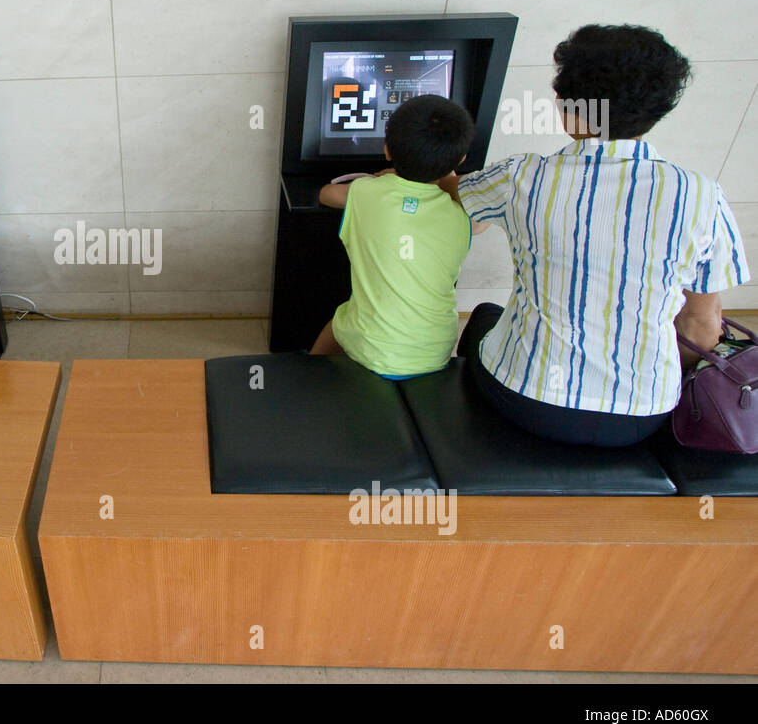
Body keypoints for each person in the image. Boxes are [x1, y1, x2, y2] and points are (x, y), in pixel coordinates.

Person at [450, 24, 749, 446]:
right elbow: (701, 325)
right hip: (642, 417)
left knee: (483, 315)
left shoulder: (523, 176)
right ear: (660, 107)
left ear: (567, 104)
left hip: (524, 398)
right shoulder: (700, 194)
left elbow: (453, 193)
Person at [310, 94, 478, 379]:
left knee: (341, 318)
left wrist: (378, 181)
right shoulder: (469, 214)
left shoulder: (364, 192)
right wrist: (447, 182)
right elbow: (473, 201)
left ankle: (310, 369)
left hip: (370, 345)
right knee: (349, 312)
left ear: (387, 151)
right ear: (461, 159)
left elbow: (326, 193)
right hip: (436, 350)